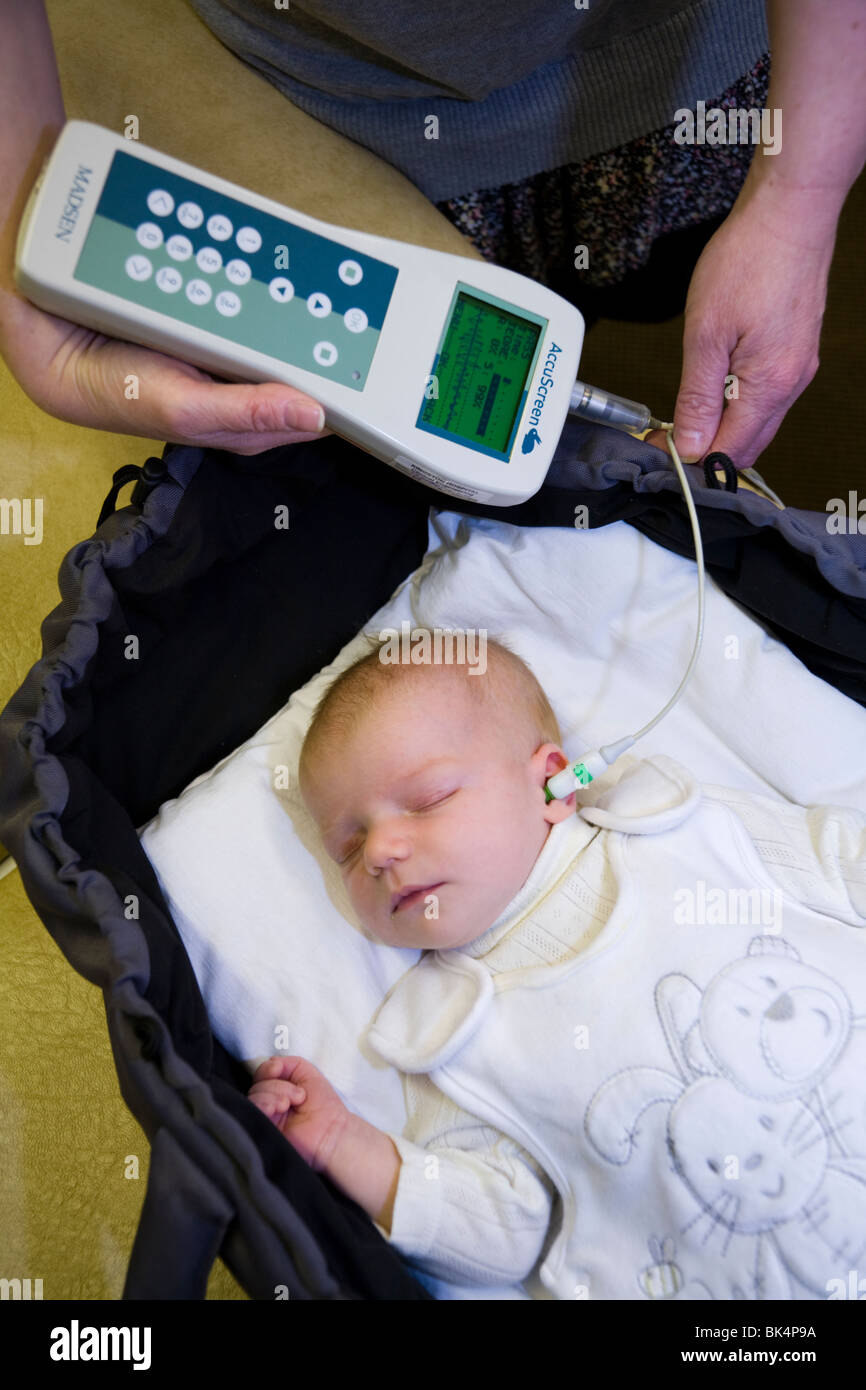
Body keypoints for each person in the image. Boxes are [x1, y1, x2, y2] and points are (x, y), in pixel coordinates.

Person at [248, 632, 866, 1299]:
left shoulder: (679, 832)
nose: (381, 852)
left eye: (426, 800)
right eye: (348, 847)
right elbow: (505, 1233)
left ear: (551, 782)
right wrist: (347, 1144)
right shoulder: (454, 1036)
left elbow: (839, 861)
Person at [1, 1, 864, 469]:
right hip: (334, 89)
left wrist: (797, 196)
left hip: (690, 63)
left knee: (647, 278)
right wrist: (19, 279)